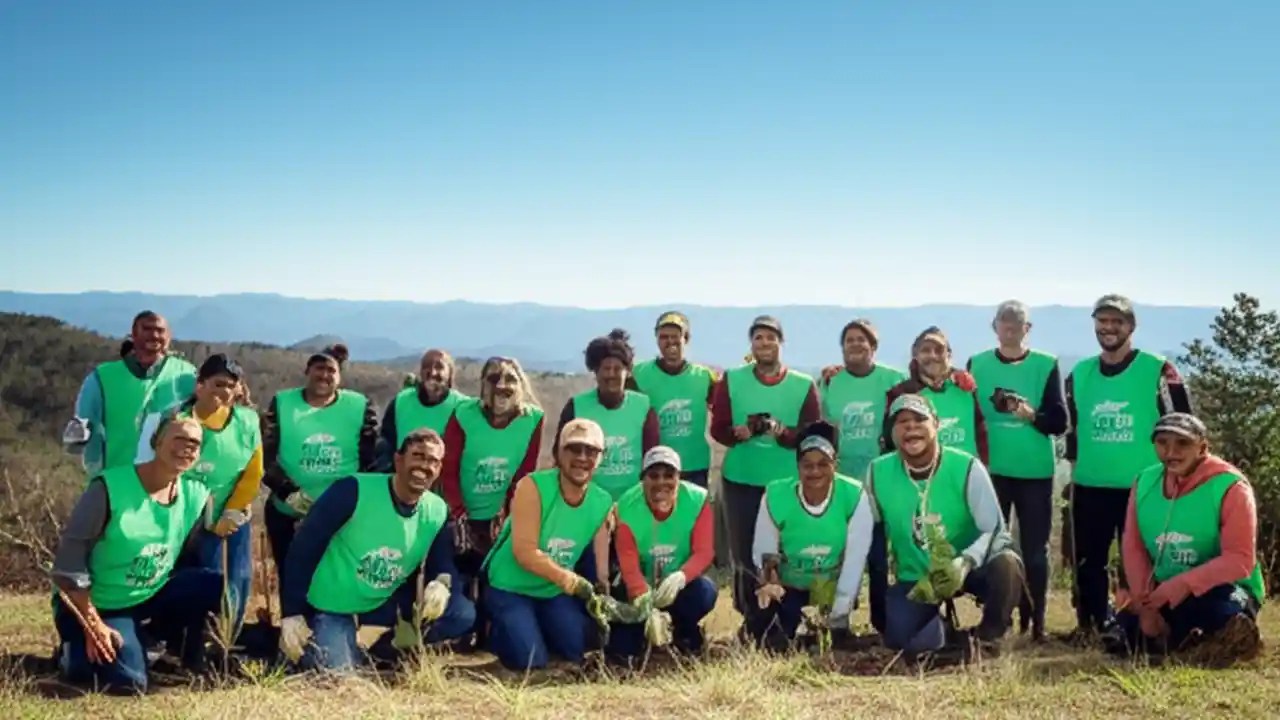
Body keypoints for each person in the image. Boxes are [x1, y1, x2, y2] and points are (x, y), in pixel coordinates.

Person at [277, 429, 476, 672]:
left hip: (384, 605)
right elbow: (303, 548)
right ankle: (309, 647)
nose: (424, 466)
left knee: (461, 613)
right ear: (398, 460)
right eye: (418, 456)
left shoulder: (437, 510)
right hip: (334, 606)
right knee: (338, 678)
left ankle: (386, 648)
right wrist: (292, 611)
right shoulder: (352, 491)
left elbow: (442, 561)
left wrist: (443, 583)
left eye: (433, 461)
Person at [49, 414, 219, 694]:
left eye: (194, 443)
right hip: (97, 603)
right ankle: (74, 653)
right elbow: (69, 564)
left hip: (148, 596)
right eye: (179, 439)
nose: (187, 447)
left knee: (213, 585)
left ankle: (152, 644)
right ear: (157, 441)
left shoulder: (196, 495)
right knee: (130, 681)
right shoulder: (109, 488)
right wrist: (94, 624)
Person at [1064, 294, 1194, 637]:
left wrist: (1180, 477)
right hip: (1090, 484)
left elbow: (1185, 424)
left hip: (1145, 485)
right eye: (1102, 321)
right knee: (1089, 562)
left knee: (1141, 561)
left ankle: (1140, 625)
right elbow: (1073, 428)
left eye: (1116, 322)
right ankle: (1092, 625)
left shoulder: (1158, 369)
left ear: (1131, 326)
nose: (1108, 328)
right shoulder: (1080, 372)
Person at [868, 394, 1023, 656]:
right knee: (905, 641)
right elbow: (869, 535)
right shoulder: (877, 472)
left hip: (970, 568)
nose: (911, 427)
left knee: (1006, 563)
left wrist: (964, 563)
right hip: (917, 576)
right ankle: (947, 635)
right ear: (892, 432)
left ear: (936, 425)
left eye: (919, 419)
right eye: (902, 422)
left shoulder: (967, 467)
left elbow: (993, 528)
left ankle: (990, 636)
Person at [1110, 413, 1264, 665]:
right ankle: (1185, 643)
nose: (1171, 452)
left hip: (1224, 588)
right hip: (1163, 589)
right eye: (1162, 443)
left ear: (1202, 448)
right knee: (1129, 627)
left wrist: (1181, 585)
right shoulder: (1144, 482)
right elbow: (1133, 546)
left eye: (1182, 443)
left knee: (1218, 612)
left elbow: (1240, 560)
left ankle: (1222, 639)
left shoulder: (1230, 487)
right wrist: (1146, 603)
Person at [134, 354, 263, 632]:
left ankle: (224, 642)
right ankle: (178, 640)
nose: (223, 391)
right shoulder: (176, 420)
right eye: (217, 384)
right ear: (200, 386)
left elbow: (254, 469)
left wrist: (234, 508)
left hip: (231, 516)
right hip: (183, 518)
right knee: (191, 581)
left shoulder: (248, 421)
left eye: (230, 385)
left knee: (236, 581)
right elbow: (158, 467)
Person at [709, 315, 821, 636]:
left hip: (786, 483)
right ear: (751, 345)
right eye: (758, 338)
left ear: (781, 343)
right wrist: (738, 433)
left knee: (786, 551)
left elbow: (810, 435)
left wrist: (780, 431)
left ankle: (788, 616)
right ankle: (751, 618)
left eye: (771, 338)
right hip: (742, 479)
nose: (764, 344)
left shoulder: (803, 385)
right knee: (745, 553)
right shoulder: (732, 380)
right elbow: (718, 429)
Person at [965, 301, 1068, 641]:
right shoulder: (976, 365)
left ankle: (1035, 623)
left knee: (1035, 553)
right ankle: (999, 620)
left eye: (1017, 323)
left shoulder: (1045, 364)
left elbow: (1059, 422)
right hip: (991, 470)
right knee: (994, 548)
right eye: (1004, 323)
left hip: (1035, 471)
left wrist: (1031, 416)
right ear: (994, 326)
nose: (1010, 329)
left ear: (1028, 329)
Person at [482, 418, 614, 671]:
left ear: (601, 457)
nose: (582, 458)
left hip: (551, 591)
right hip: (510, 587)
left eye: (591, 451)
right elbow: (525, 553)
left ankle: (534, 628)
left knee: (575, 648)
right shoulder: (533, 487)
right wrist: (572, 582)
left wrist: (603, 589)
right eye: (573, 449)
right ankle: (497, 631)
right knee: (532, 661)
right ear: (558, 452)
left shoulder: (602, 500)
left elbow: (601, 559)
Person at [439, 356, 544, 645]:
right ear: (483, 385)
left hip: (501, 514)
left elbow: (525, 472)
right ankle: (456, 630)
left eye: (510, 378)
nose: (502, 385)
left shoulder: (533, 419)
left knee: (495, 575)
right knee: (458, 570)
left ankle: (490, 634)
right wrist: (459, 514)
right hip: (460, 511)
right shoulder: (464, 414)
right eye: (493, 378)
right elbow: (448, 469)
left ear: (521, 384)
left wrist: (508, 510)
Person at [260, 343, 378, 591]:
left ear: (340, 376)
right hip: (288, 512)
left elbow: (371, 461)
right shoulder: (282, 404)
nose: (324, 375)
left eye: (331, 370)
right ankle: (292, 625)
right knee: (292, 577)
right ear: (307, 370)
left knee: (336, 578)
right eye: (319, 368)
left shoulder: (360, 407)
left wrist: (355, 500)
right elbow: (264, 455)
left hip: (342, 515)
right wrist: (288, 492)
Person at [750, 422, 873, 651]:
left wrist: (841, 607)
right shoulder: (776, 494)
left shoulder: (854, 494)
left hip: (831, 586)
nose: (815, 472)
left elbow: (856, 558)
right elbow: (765, 549)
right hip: (791, 584)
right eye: (807, 465)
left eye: (823, 464)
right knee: (774, 639)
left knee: (832, 640)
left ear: (835, 465)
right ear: (798, 467)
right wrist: (770, 582)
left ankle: (834, 625)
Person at [608, 446, 717, 658]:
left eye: (669, 475)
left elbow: (704, 552)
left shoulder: (697, 500)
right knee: (622, 649)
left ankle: (682, 631)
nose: (661, 482)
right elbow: (627, 561)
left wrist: (681, 576)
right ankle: (645, 633)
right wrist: (643, 597)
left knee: (704, 592)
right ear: (643, 480)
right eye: (653, 476)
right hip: (638, 587)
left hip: (677, 586)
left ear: (679, 478)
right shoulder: (626, 507)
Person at [65, 311, 197, 476]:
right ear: (134, 334)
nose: (154, 335)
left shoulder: (187, 375)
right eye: (147, 329)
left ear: (169, 337)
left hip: (167, 482)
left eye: (160, 331)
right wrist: (96, 476)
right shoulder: (102, 378)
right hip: (116, 477)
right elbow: (85, 426)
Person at [555, 329, 660, 501]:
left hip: (632, 500)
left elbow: (651, 457)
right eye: (606, 368)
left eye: (617, 368)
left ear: (627, 372)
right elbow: (559, 455)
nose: (611, 374)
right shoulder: (577, 407)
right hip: (586, 500)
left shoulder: (643, 406)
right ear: (595, 372)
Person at [630, 311, 719, 488]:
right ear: (656, 340)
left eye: (675, 336)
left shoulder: (705, 376)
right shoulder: (639, 374)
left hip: (694, 466)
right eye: (663, 337)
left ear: (686, 338)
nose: (670, 342)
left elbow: (722, 411)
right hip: (655, 467)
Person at [883, 327, 987, 463]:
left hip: (964, 473)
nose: (933, 355)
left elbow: (981, 432)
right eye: (926, 350)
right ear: (916, 355)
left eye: (939, 350)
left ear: (949, 355)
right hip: (923, 476)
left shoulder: (966, 388)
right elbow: (890, 442)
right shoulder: (902, 394)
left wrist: (984, 466)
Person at [376, 349, 469, 471]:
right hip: (404, 484)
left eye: (439, 367)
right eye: (426, 366)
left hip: (444, 486)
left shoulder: (463, 407)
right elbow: (386, 444)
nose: (432, 372)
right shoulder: (401, 402)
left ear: (450, 373)